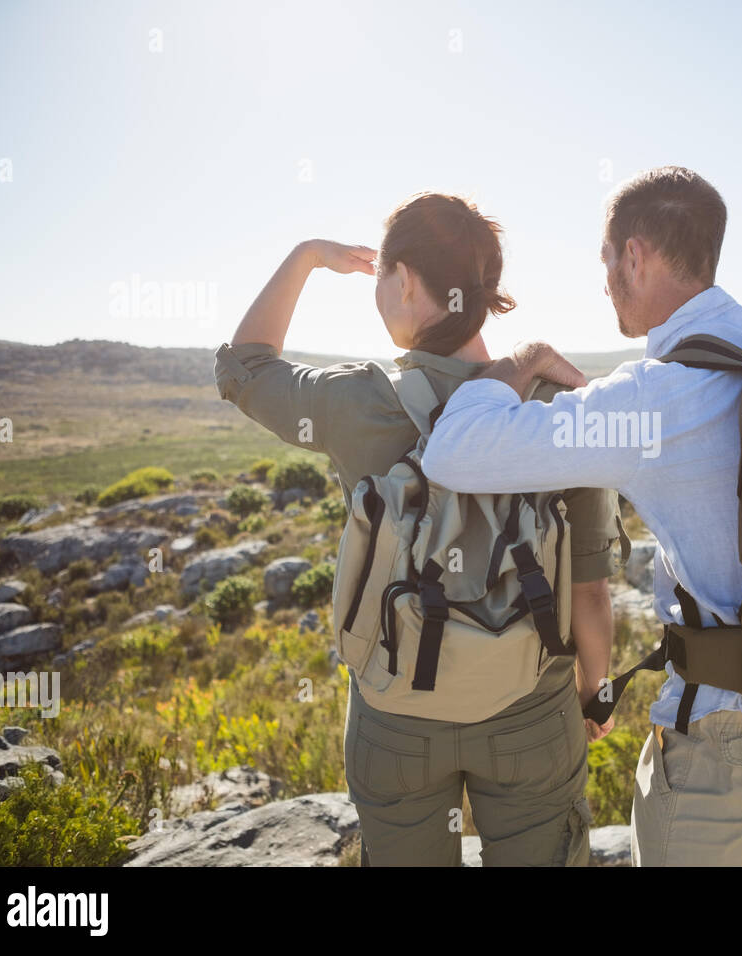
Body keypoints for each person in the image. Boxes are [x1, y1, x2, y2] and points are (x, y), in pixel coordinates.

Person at [420, 167, 742, 866]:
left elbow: (456, 452)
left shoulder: (655, 398)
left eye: (607, 261)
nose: (604, 282)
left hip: (731, 736)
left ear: (635, 256)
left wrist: (520, 364)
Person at [213, 192, 623, 866]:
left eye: (382, 278)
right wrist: (595, 693)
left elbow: (245, 367)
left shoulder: (358, 400)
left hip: (397, 711)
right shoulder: (558, 407)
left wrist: (308, 257)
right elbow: (590, 591)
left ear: (403, 279)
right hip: (529, 709)